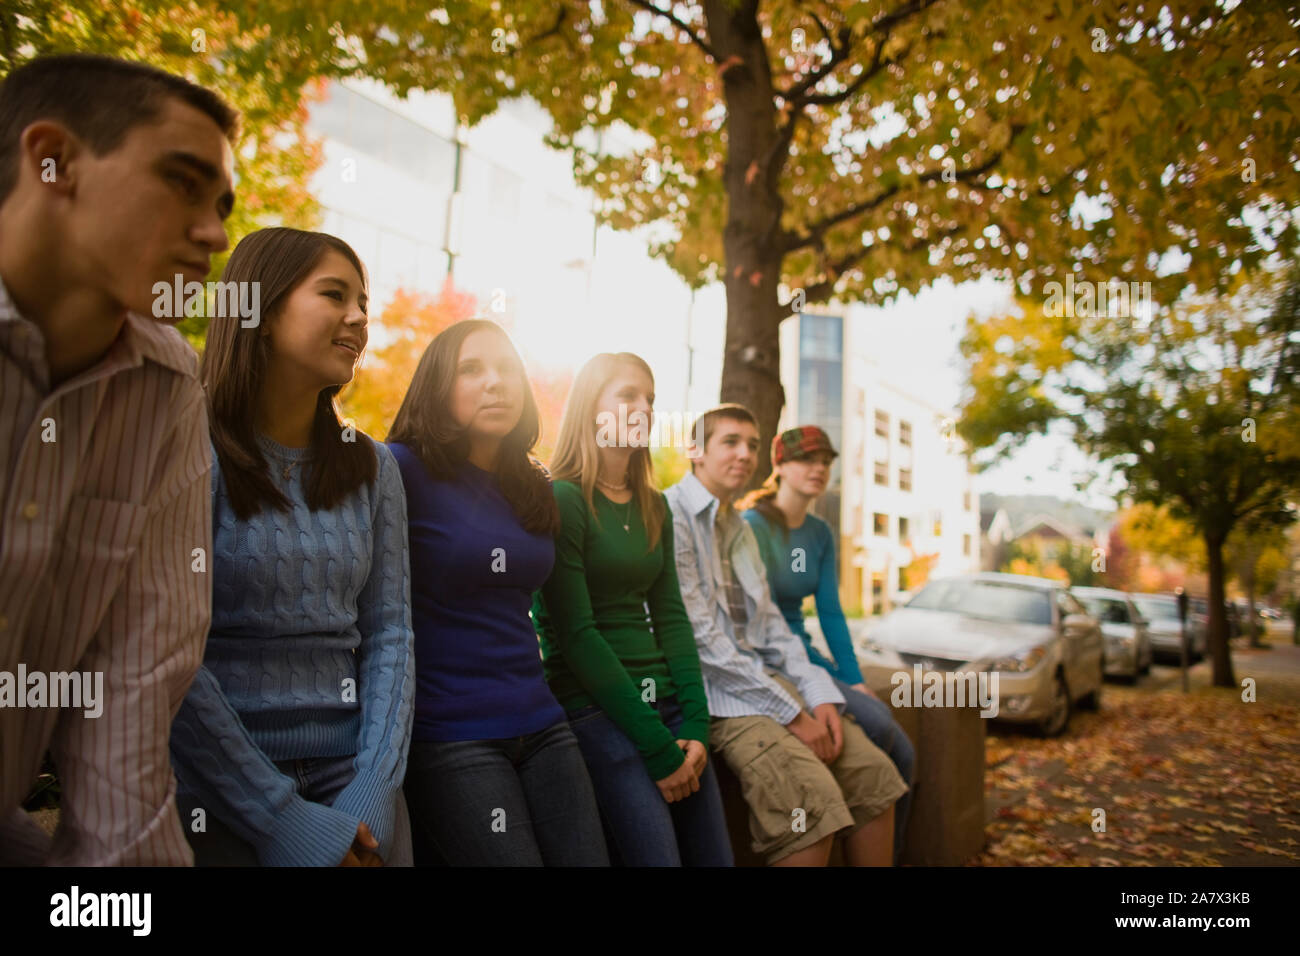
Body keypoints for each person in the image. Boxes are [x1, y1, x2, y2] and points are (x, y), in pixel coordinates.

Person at [0, 54, 237, 864]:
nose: (215, 233)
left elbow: (126, 712)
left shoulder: (169, 391)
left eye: (223, 204)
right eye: (182, 182)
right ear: (51, 161)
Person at [169, 227, 415, 866]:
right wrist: (278, 818)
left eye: (364, 302)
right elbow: (168, 651)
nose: (359, 319)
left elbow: (390, 633)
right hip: (214, 781)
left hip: (350, 770)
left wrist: (372, 787)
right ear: (261, 308)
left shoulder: (372, 465)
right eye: (334, 295)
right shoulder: (183, 445)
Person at [389, 320, 608, 866]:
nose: (497, 383)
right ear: (437, 385)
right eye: (472, 369)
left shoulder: (531, 482)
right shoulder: (399, 469)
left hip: (542, 720)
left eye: (508, 369)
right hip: (450, 733)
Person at [665, 404, 908, 867]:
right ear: (695, 451)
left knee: (876, 777)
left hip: (774, 681)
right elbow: (700, 639)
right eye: (730, 442)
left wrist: (819, 696)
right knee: (809, 802)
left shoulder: (736, 527)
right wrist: (793, 714)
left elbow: (773, 625)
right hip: (720, 698)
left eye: (752, 444)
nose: (744, 454)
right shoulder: (671, 514)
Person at [533, 353, 733, 866]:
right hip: (597, 708)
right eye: (627, 396)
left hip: (665, 703)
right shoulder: (563, 499)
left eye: (650, 399)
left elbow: (671, 617)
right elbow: (576, 635)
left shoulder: (654, 505)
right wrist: (656, 745)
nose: (643, 408)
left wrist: (694, 723)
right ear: (590, 408)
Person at [738, 425, 916, 862]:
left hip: (807, 656)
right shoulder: (751, 526)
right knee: (877, 733)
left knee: (899, 748)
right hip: (767, 660)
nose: (818, 469)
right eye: (806, 460)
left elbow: (832, 613)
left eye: (825, 461)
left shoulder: (819, 533)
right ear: (779, 466)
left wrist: (852, 680)